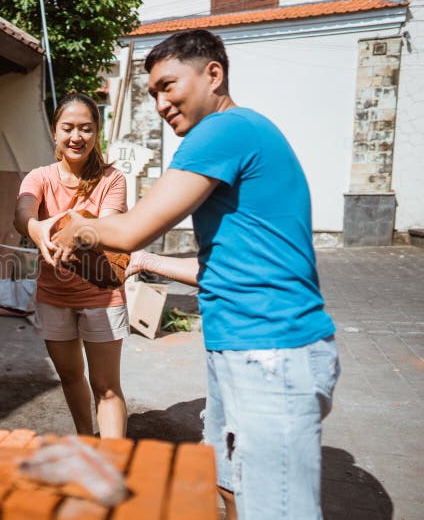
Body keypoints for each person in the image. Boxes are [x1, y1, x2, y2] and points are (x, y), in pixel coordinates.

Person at [50, 30, 339, 519]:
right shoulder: (243, 133)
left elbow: (136, 227)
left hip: (270, 351)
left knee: (276, 510)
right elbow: (219, 265)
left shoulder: (222, 131)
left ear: (213, 74)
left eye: (168, 85)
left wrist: (75, 230)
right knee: (228, 487)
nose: (161, 102)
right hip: (242, 349)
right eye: (153, 93)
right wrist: (145, 264)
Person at [14, 92, 129, 438]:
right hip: (54, 295)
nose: (76, 137)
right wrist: (34, 228)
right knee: (69, 375)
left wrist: (71, 225)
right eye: (68, 128)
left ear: (97, 134)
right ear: (54, 132)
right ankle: (85, 440)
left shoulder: (112, 179)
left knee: (106, 386)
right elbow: (23, 212)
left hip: (102, 296)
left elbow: (105, 226)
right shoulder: (40, 177)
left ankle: (113, 463)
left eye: (86, 129)